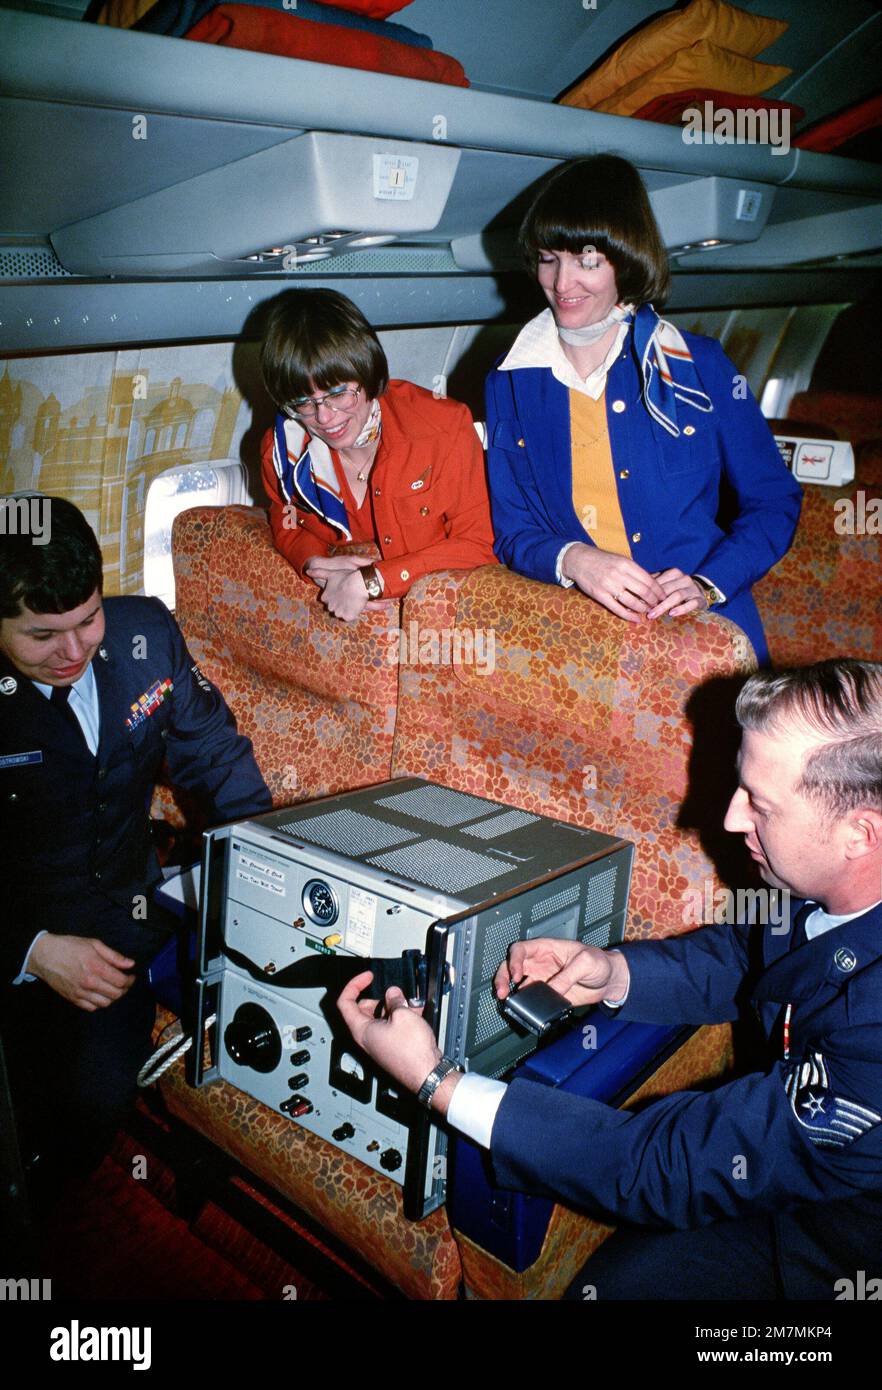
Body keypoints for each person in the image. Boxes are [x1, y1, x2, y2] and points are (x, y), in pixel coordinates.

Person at [338, 658, 882, 1299]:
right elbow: (746, 953)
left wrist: (437, 1083)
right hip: (788, 1183)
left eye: (760, 805)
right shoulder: (821, 883)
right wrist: (613, 972)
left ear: (859, 834)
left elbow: (662, 1165)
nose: (731, 819)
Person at [0, 496, 271, 1188]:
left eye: (87, 619)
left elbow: (215, 756)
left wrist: (263, 870)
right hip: (20, 934)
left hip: (124, 925)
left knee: (92, 1103)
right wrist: (33, 949)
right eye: (41, 636)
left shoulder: (145, 632)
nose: (72, 652)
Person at [485, 155, 803, 665]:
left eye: (587, 261)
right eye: (549, 259)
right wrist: (576, 560)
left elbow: (774, 500)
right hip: (582, 640)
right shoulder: (510, 380)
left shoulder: (697, 365)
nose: (562, 284)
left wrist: (709, 583)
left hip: (704, 637)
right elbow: (512, 531)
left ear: (626, 261)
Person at [260, 288, 497, 623]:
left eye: (339, 394)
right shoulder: (284, 451)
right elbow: (285, 518)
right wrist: (314, 563)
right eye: (303, 402)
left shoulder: (444, 427)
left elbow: (480, 543)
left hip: (443, 621)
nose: (325, 418)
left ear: (367, 371)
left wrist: (373, 580)